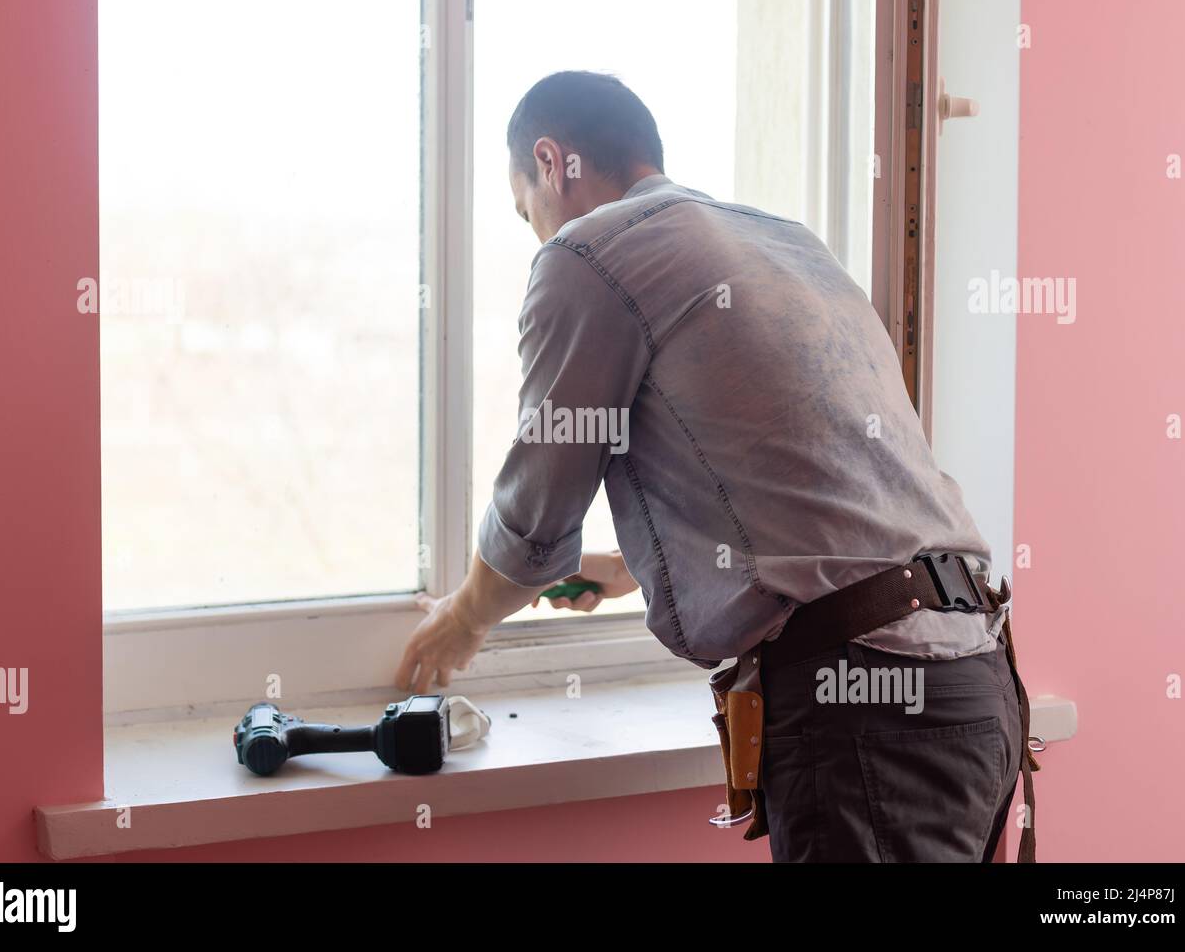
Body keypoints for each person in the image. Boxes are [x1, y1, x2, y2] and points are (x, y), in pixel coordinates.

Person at [397, 70, 1032, 862]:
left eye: (524, 206)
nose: (533, 230)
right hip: (974, 678)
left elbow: (536, 513)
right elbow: (810, 465)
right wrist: (652, 567)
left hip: (869, 709)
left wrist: (462, 621)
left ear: (553, 160)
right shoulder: (786, 241)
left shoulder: (588, 253)